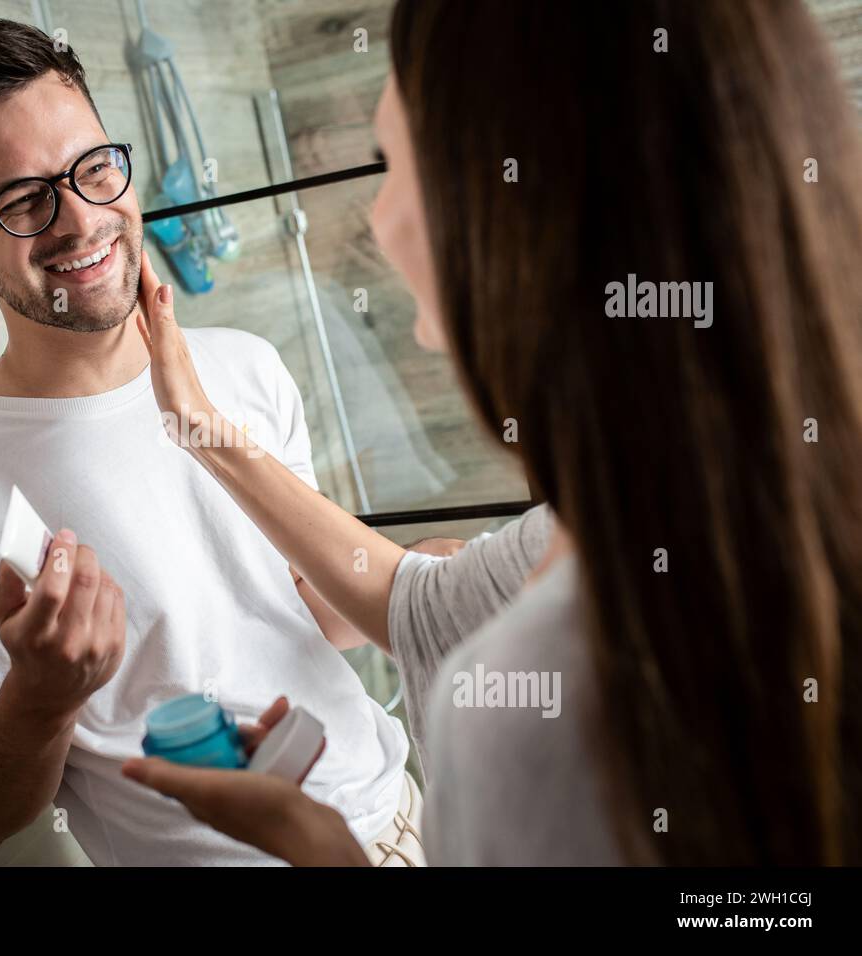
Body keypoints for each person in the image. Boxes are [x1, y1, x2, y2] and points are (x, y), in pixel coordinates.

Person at [123, 0, 862, 866]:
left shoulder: (519, 715)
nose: (376, 219)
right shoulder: (682, 515)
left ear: (510, 214)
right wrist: (202, 427)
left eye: (390, 164)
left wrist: (321, 849)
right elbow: (417, 607)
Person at [0, 17, 426, 866]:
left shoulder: (245, 367)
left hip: (407, 820)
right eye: (22, 201)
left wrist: (432, 587)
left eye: (92, 169)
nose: (81, 219)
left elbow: (315, 612)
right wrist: (41, 701)